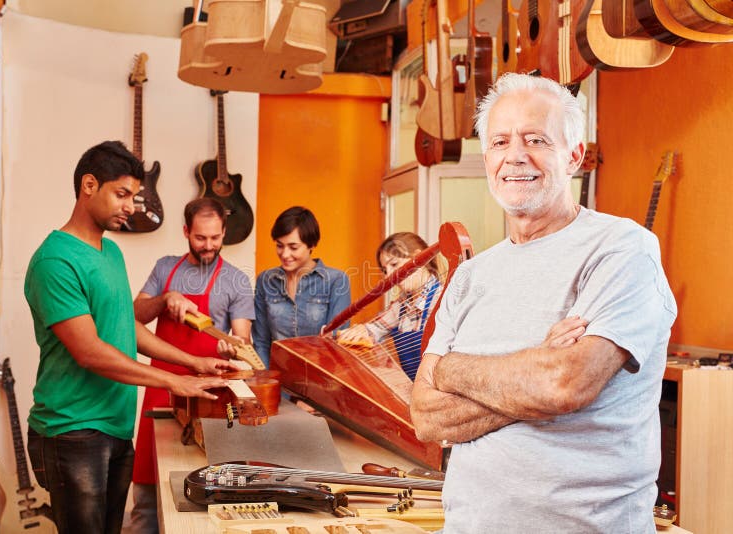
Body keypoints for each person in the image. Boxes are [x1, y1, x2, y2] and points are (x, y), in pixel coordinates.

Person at [410, 73, 677, 533]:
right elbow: (426, 417)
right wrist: (532, 372)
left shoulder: (622, 249)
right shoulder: (472, 276)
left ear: (573, 156)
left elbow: (563, 384)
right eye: (499, 142)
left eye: (535, 139)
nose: (515, 155)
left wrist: (452, 370)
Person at [24, 141, 238, 533]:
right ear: (89, 185)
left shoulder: (111, 253)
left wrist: (193, 362)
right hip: (73, 430)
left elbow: (127, 329)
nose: (131, 206)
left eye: (135, 196)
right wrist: (176, 381)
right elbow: (90, 352)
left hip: (116, 426)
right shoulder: (56, 260)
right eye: (122, 194)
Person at [128, 197, 255, 533]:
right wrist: (165, 299)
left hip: (208, 399)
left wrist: (233, 347)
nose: (209, 245)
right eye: (201, 238)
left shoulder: (236, 281)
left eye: (216, 238)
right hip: (159, 388)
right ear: (186, 231)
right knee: (145, 495)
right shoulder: (165, 268)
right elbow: (132, 318)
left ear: (224, 231)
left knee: (198, 494)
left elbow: (244, 339)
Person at [252, 206, 351, 367]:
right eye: (279, 245)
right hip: (278, 382)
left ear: (311, 244)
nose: (284, 254)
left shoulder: (336, 280)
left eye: (293, 247)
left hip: (321, 383)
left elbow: (337, 343)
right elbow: (261, 342)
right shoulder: (265, 280)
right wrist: (265, 383)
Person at [336, 232, 442, 380]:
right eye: (385, 270)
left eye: (394, 264)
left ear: (419, 258)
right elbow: (373, 329)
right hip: (413, 393)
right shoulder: (401, 306)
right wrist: (362, 330)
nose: (389, 276)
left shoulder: (442, 299)